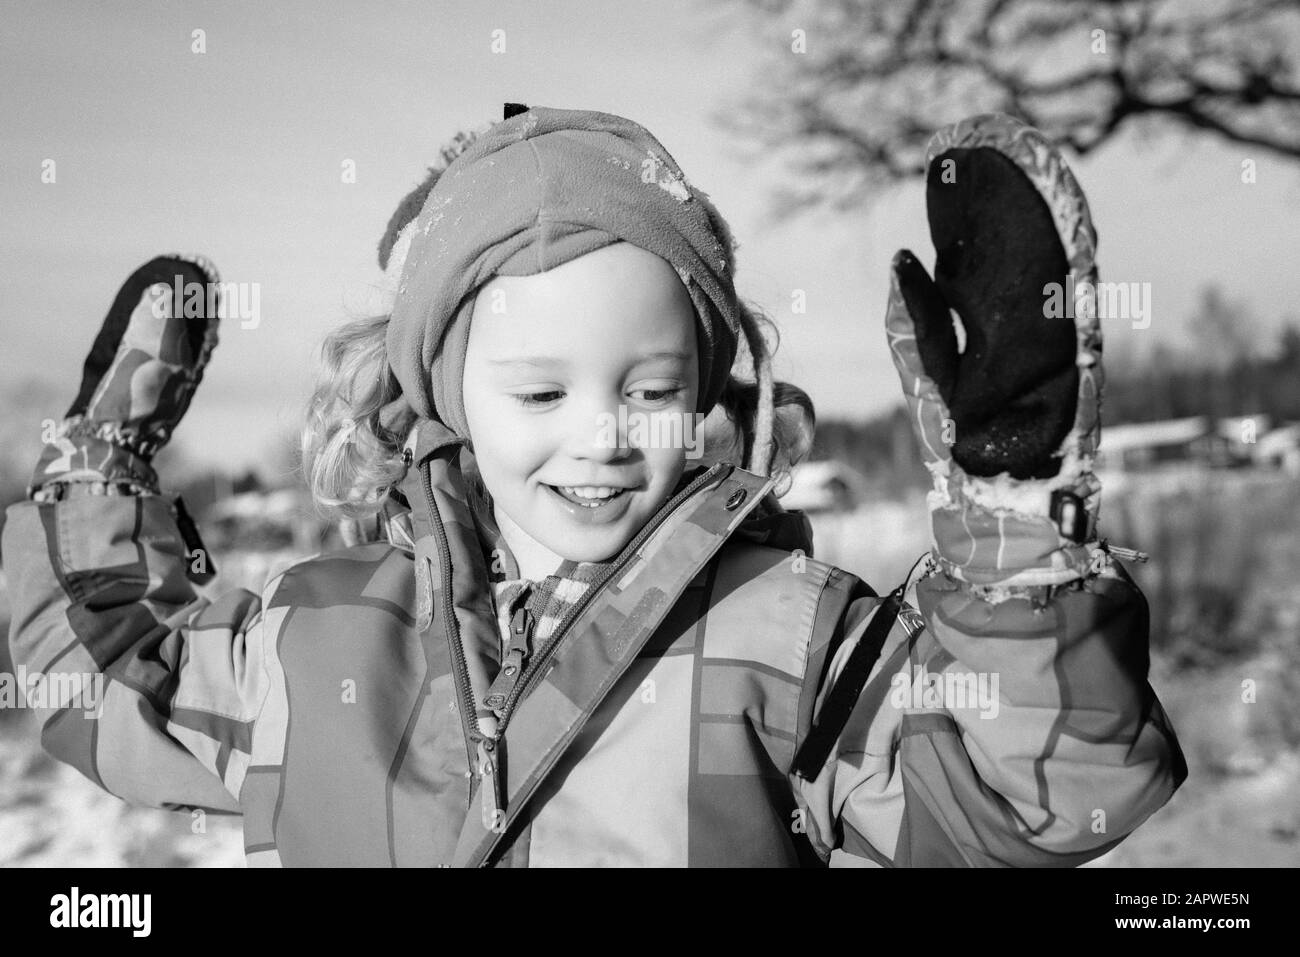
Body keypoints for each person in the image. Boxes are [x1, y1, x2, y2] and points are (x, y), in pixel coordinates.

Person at [2, 104, 1186, 867]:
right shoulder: (318, 639)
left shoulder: (783, 636)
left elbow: (1041, 794)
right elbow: (105, 680)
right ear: (443, 401)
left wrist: (1016, 522)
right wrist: (91, 479)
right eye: (537, 393)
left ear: (713, 392)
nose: (603, 437)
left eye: (652, 386)